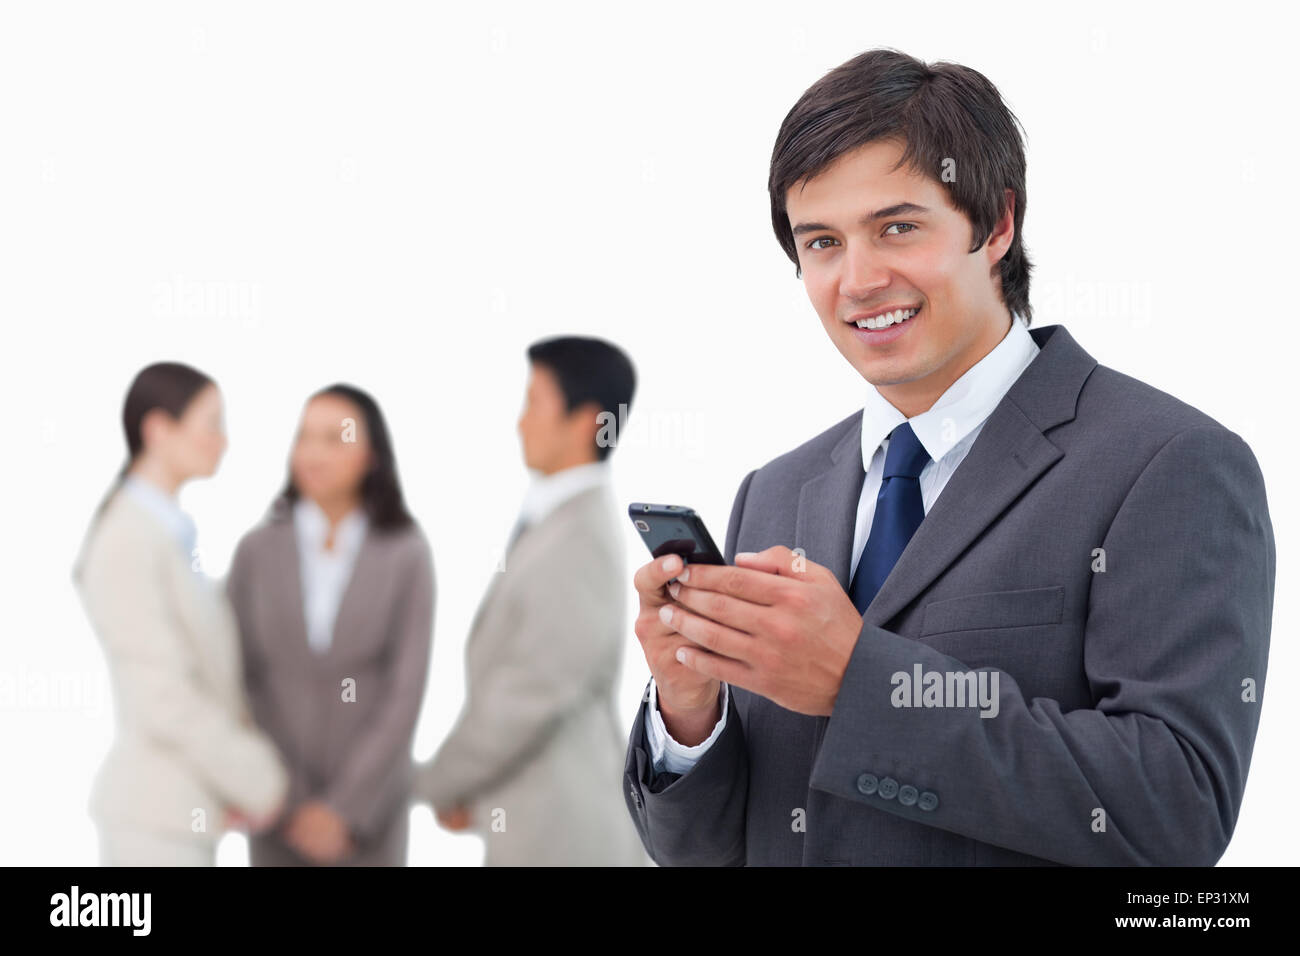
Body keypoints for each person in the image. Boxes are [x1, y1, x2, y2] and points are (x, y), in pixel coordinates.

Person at [622, 48, 1275, 866]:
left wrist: (861, 681)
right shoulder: (776, 492)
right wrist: (689, 712)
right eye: (821, 242)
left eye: (897, 227)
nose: (857, 280)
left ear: (996, 224)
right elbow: (710, 852)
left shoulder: (1170, 464)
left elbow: (1177, 810)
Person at [416, 336, 647, 866]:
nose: (521, 422)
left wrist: (433, 782)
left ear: (586, 420)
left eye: (533, 402)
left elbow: (528, 694)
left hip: (567, 836)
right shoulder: (555, 521)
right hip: (538, 824)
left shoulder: (580, 538)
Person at [73, 362, 288, 866]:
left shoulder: (168, 532)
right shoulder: (130, 537)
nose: (223, 441)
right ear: (158, 430)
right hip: (154, 820)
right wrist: (257, 779)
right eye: (211, 423)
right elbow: (163, 697)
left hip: (183, 812)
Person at [226, 384, 434, 866]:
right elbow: (241, 680)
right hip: (278, 811)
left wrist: (343, 809)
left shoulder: (406, 552)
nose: (313, 452)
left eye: (334, 438)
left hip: (370, 817)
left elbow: (405, 692)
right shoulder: (256, 551)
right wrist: (292, 802)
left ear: (372, 456)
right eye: (305, 437)